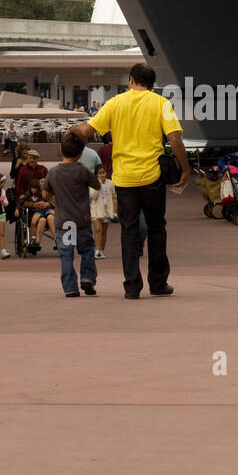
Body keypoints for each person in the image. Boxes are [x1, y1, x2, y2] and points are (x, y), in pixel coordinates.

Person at [76, 63, 189, 299]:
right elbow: (175, 139)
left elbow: (86, 131)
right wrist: (185, 169)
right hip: (152, 176)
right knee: (157, 228)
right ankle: (158, 283)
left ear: (130, 80)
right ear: (151, 83)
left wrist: (71, 129)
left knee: (129, 231)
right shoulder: (160, 103)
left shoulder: (115, 103)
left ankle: (131, 286)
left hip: (124, 178)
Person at [43, 132, 100, 297]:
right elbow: (96, 185)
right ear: (81, 154)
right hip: (82, 219)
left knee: (66, 254)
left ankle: (70, 287)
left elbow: (46, 195)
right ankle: (88, 278)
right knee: (87, 249)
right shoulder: (82, 172)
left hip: (63, 220)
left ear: (61, 150)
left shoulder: (53, 172)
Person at [91, 165, 117, 258]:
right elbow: (93, 196)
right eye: (100, 173)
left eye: (103, 173)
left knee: (104, 231)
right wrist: (98, 185)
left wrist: (115, 212)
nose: (102, 175)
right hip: (96, 210)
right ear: (96, 174)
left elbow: (114, 197)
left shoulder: (110, 183)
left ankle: (101, 250)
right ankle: (97, 250)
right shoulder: (93, 183)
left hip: (107, 211)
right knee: (98, 229)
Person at [24, 177, 56, 249]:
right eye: (41, 182)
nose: (43, 184)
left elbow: (57, 202)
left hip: (48, 213)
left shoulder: (50, 192)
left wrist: (49, 204)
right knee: (42, 220)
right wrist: (32, 204)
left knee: (50, 217)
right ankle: (36, 242)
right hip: (35, 214)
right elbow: (23, 202)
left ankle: (57, 240)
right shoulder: (31, 194)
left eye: (44, 182)